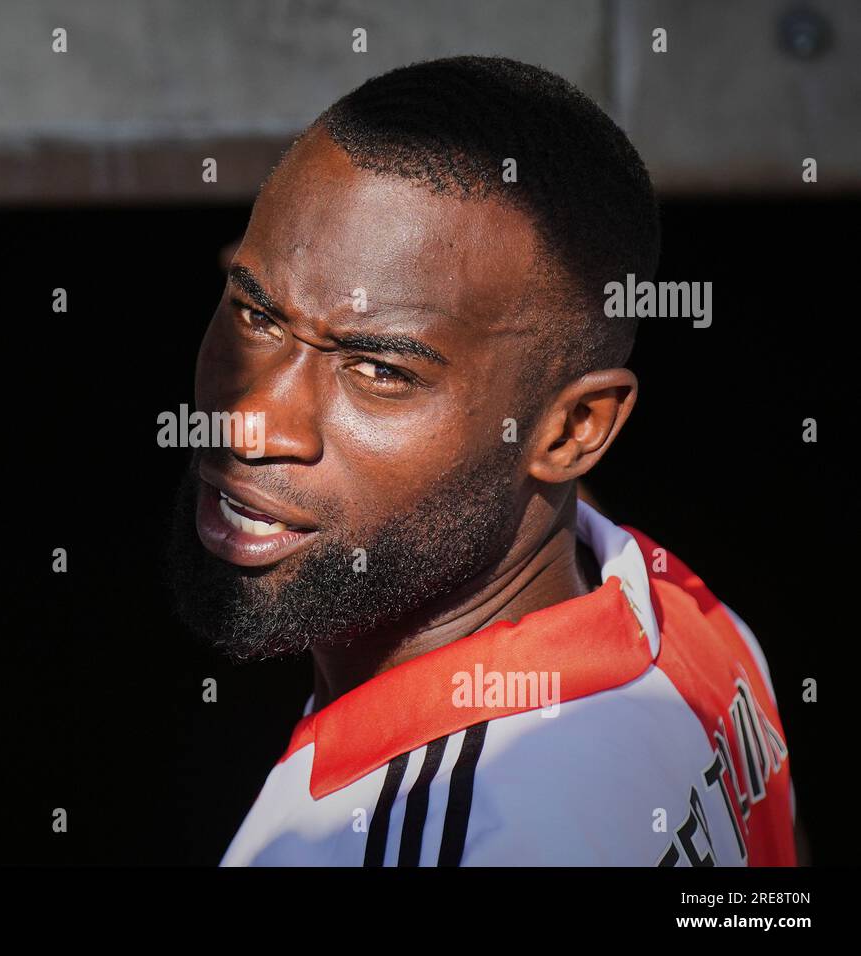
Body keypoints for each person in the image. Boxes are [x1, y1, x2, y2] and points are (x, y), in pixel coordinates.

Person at [167, 56, 796, 866]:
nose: (253, 423)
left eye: (381, 371)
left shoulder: (428, 838)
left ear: (572, 432)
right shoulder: (678, 617)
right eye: (257, 313)